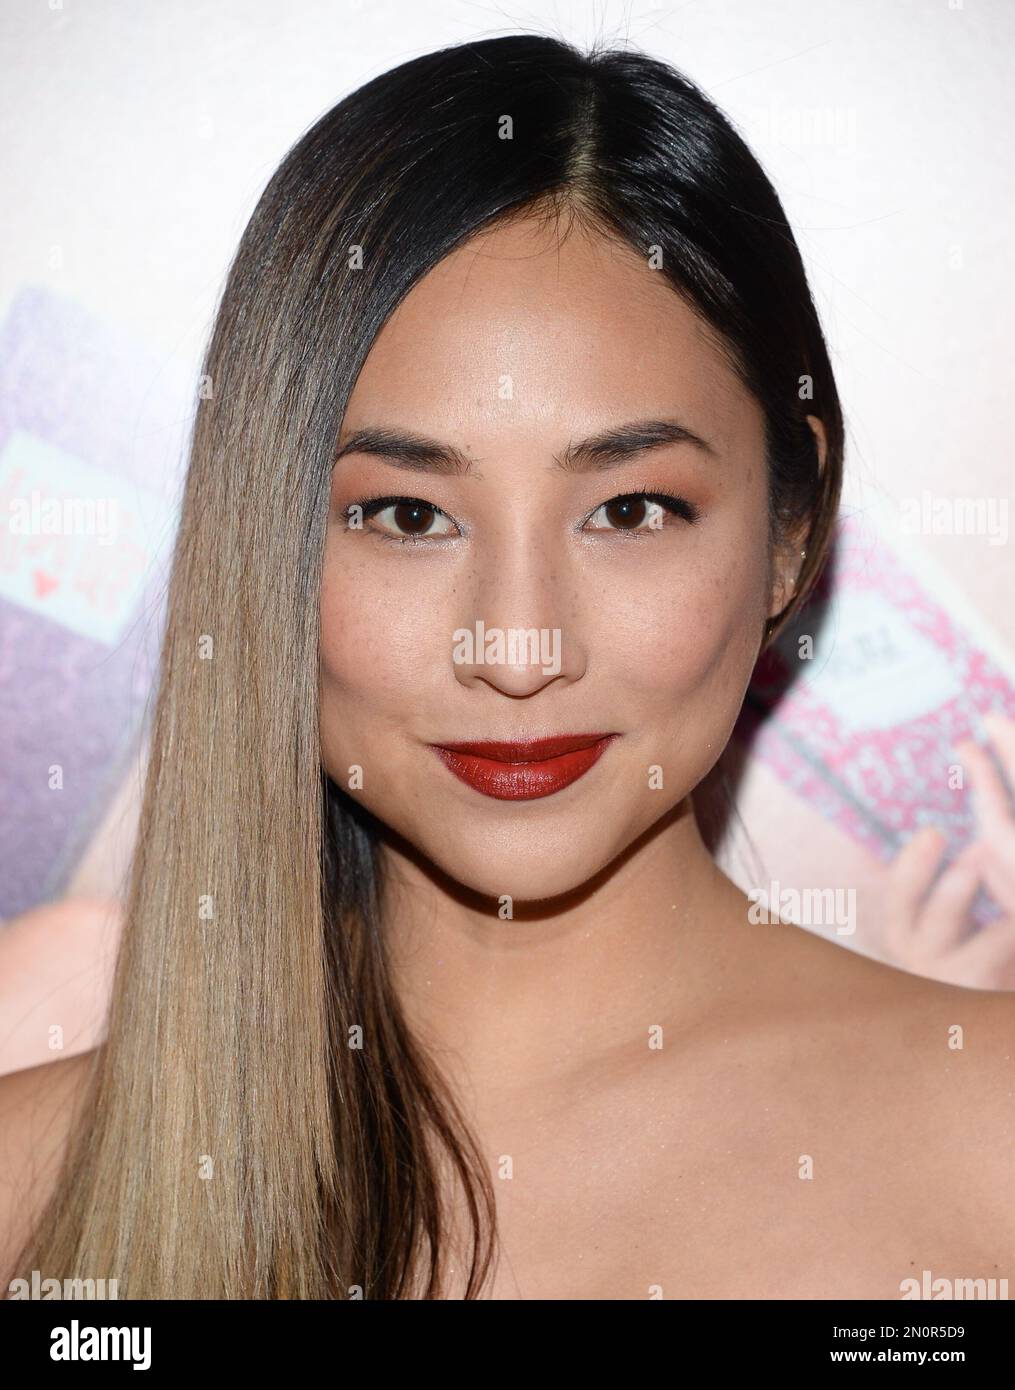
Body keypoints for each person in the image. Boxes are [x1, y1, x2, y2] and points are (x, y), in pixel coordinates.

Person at [2, 33, 1012, 1301]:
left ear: (789, 528)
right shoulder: (29, 1197)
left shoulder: (992, 1150)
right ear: (256, 541)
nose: (520, 647)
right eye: (408, 515)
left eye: (632, 510)